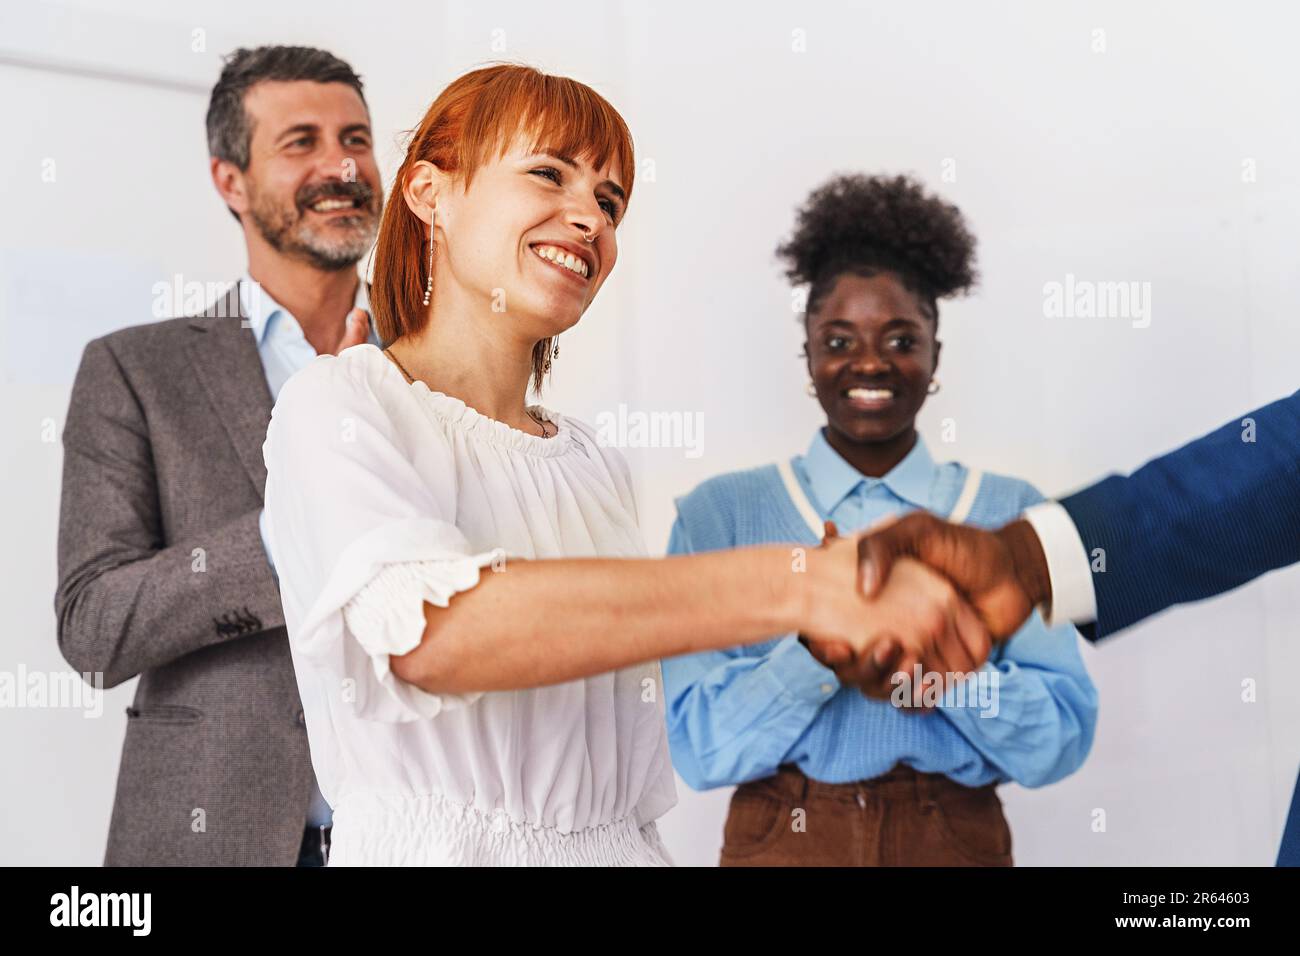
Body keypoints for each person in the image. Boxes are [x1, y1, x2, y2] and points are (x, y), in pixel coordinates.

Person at [259, 65, 988, 866]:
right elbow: (437, 636)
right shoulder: (339, 405)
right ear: (432, 193)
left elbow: (623, 789)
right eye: (548, 173)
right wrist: (803, 585)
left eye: (609, 203)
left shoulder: (590, 464)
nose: (589, 220)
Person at [660, 174, 1098, 866]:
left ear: (935, 356)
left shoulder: (1011, 511)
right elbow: (699, 750)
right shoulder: (720, 514)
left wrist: (935, 663)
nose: (869, 362)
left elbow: (1061, 741)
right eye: (838, 342)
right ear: (807, 356)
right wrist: (820, 649)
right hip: (784, 836)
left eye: (900, 339)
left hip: (952, 836)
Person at [54, 45, 381, 866]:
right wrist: (288, 533)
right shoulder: (136, 370)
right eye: (300, 141)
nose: (340, 165)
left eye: (356, 138)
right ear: (230, 181)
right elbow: (93, 628)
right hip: (211, 838)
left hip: (416, 834)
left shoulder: (433, 367)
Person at [843, 388, 1300, 864]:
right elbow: (1286, 459)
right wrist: (1024, 563)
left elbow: (1057, 738)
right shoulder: (760, 506)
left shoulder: (1000, 496)